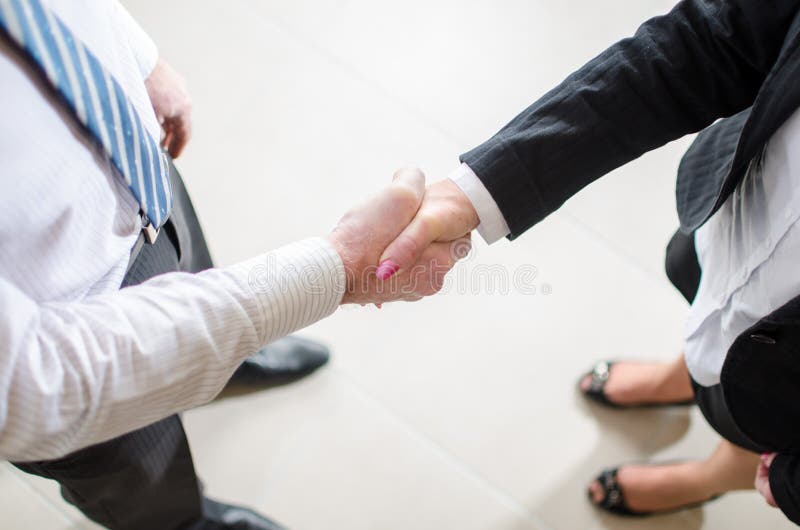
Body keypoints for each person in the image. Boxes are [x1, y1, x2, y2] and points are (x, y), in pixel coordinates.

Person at [0, 0, 463, 528]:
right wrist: (332, 270)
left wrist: (136, 53)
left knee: (194, 262)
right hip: (79, 338)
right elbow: (29, 386)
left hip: (137, 166)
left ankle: (230, 361)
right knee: (141, 481)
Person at [376, 0, 800, 525]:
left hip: (789, 375)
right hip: (738, 207)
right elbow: (710, 41)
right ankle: (682, 374)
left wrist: (791, 484)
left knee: (754, 420)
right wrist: (476, 195)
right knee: (700, 288)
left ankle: (706, 479)